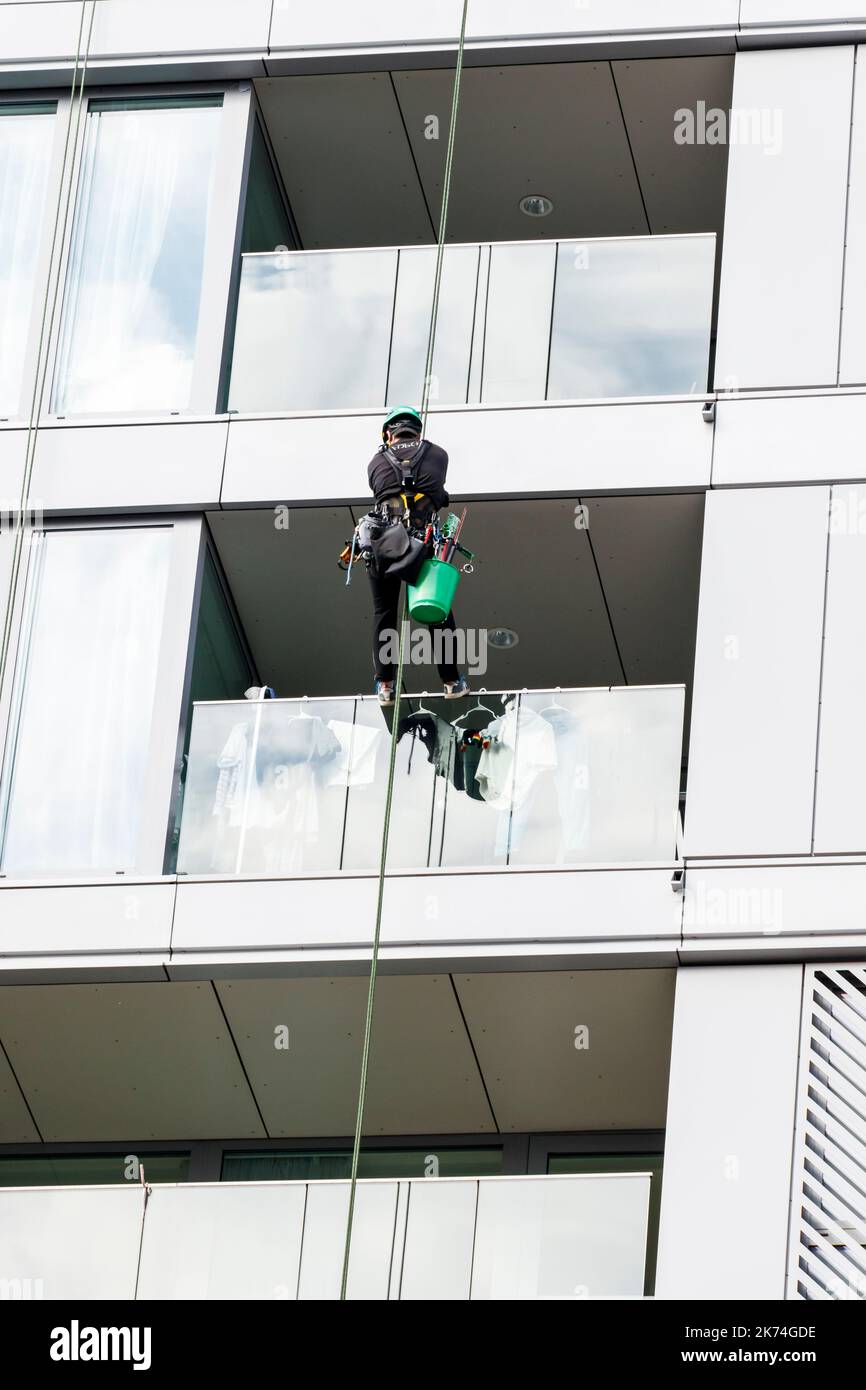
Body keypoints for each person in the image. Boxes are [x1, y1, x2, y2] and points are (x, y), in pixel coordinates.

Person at [365, 406, 469, 707]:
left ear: (388, 433)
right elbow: (438, 491)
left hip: (383, 542)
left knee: (384, 611)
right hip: (422, 543)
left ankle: (385, 685)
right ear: (418, 432)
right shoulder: (438, 454)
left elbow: (380, 490)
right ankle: (451, 682)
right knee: (438, 611)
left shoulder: (376, 461)